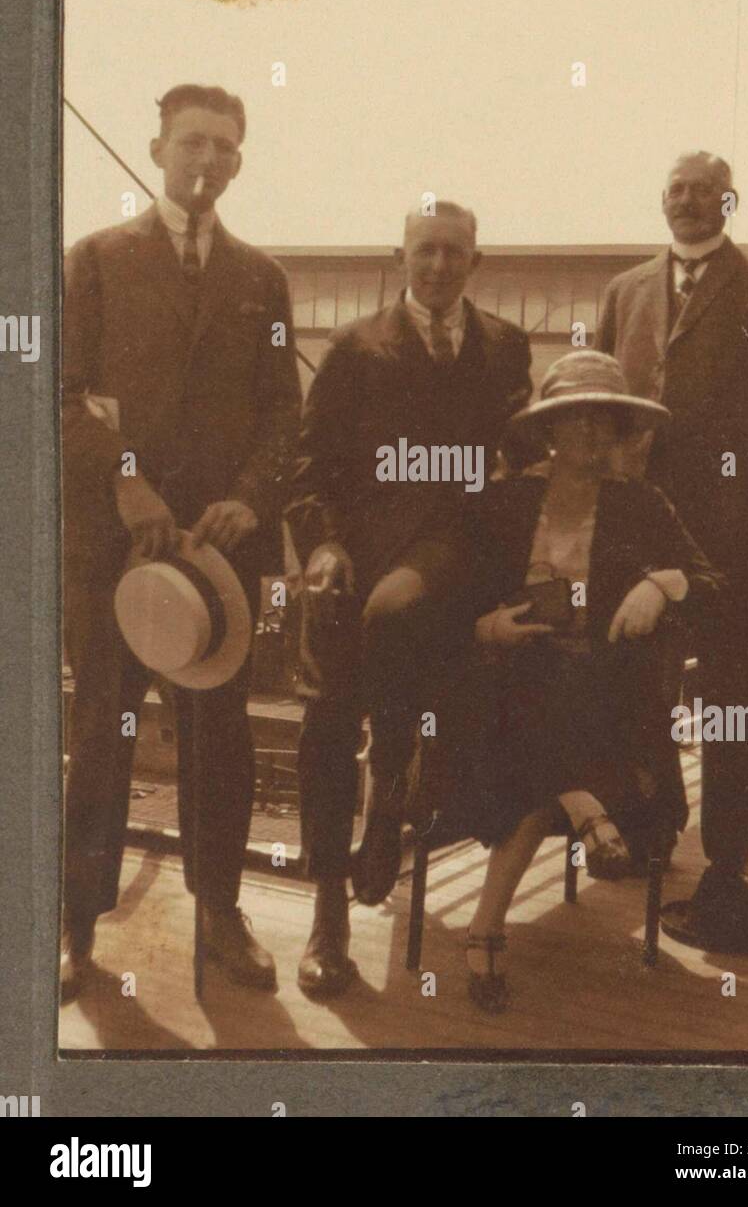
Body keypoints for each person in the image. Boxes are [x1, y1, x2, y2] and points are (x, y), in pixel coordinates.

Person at [61, 83, 302, 1000]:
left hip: (220, 562)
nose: (208, 160)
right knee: (103, 732)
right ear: (157, 146)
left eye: (226, 148)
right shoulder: (95, 261)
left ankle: (220, 914)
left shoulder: (262, 279)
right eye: (192, 141)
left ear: (239, 162)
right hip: (116, 553)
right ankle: (79, 926)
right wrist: (125, 479)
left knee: (220, 738)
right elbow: (64, 394)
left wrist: (249, 497)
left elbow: (286, 412)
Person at [285, 202, 534, 998]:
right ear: (401, 256)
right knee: (326, 716)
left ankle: (388, 785)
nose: (436, 265)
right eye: (423, 250)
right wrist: (322, 545)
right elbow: (309, 464)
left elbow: (523, 460)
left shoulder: (505, 346)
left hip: (451, 559)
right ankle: (328, 916)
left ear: (475, 260)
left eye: (452, 252)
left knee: (395, 615)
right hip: (354, 555)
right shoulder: (355, 347)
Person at [447, 350, 723, 1013]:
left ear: (621, 431)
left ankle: (488, 925)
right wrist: (488, 628)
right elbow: (450, 598)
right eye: (576, 421)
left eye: (606, 422)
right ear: (550, 430)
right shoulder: (506, 500)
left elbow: (712, 587)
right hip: (510, 682)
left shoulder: (641, 504)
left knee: (559, 709)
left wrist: (663, 583)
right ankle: (586, 807)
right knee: (536, 687)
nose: (593, 435)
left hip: (601, 696)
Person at [596, 152, 748, 954]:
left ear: (729, 199)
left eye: (703, 191)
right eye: (675, 190)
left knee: (726, 703)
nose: (688, 202)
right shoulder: (623, 292)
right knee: (631, 687)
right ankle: (651, 827)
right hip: (639, 533)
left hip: (728, 537)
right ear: (662, 199)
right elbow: (607, 410)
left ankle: (727, 867)